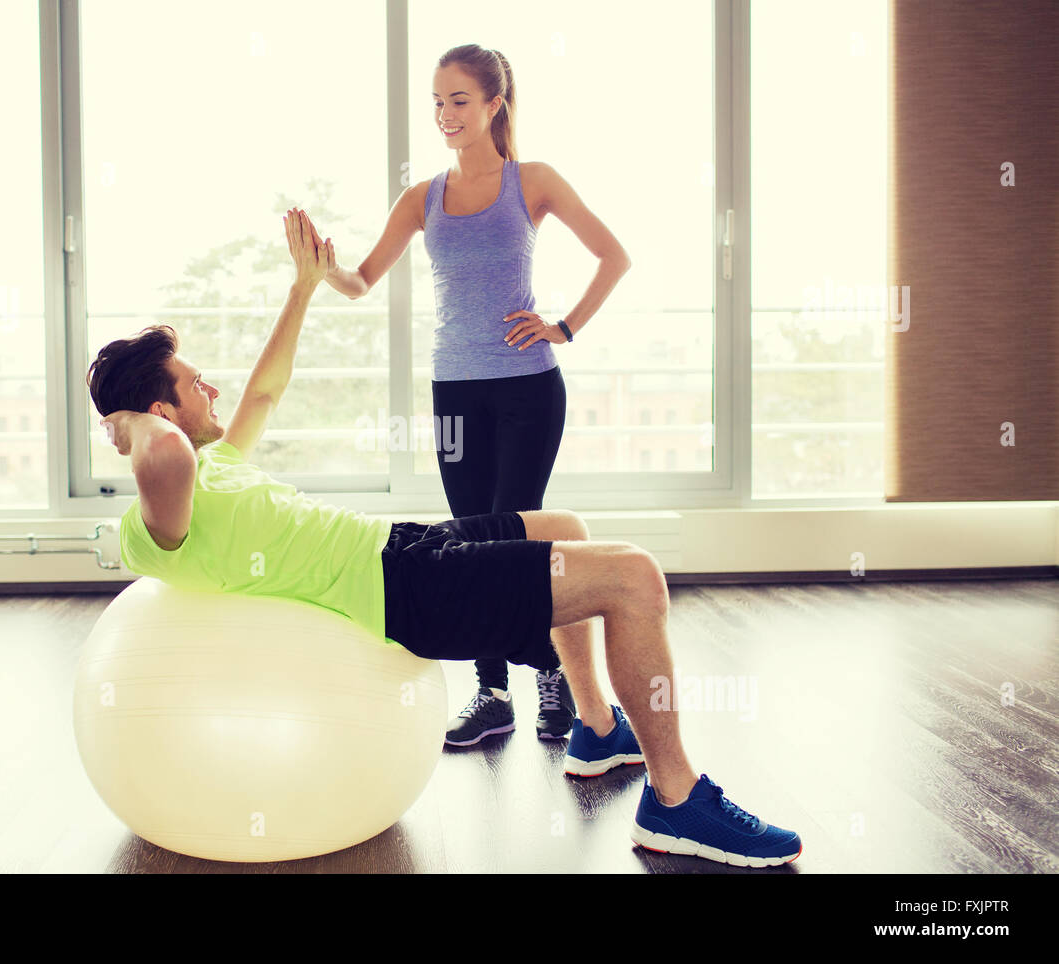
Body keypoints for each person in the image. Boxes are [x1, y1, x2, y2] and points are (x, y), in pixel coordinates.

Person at [86, 210, 802, 867]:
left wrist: (304, 287)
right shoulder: (161, 519)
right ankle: (675, 801)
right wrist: (129, 422)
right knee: (636, 577)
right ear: (157, 413)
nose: (213, 391)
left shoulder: (217, 462)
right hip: (406, 593)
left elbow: (265, 391)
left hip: (401, 547)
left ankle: (596, 728)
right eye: (194, 384)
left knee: (565, 529)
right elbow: (164, 456)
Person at [308, 44, 631, 747]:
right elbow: (362, 281)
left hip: (527, 387)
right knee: (471, 545)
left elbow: (615, 255)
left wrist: (564, 326)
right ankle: (492, 693)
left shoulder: (532, 181)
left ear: (493, 105)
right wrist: (324, 268)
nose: (445, 114)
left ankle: (551, 679)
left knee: (517, 535)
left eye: (458, 100)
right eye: (437, 101)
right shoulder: (420, 198)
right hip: (454, 390)